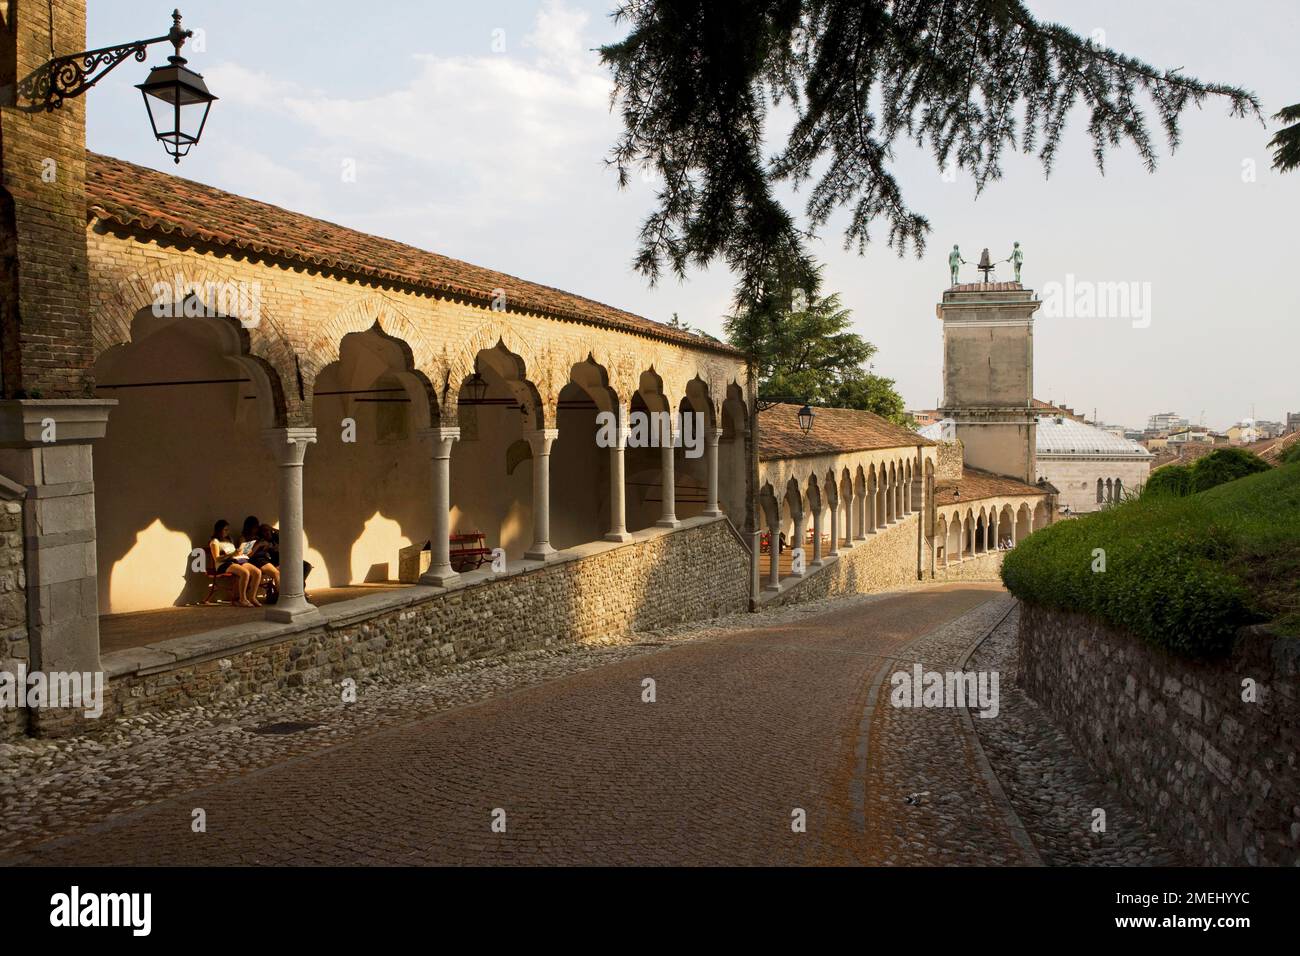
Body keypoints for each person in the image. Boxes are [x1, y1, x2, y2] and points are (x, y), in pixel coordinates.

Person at [208, 519, 262, 607]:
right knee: (245, 573)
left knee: (257, 572)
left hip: (236, 560)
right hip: (223, 564)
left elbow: (234, 553)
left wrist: (243, 552)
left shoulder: (229, 539)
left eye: (228, 530)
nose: (227, 532)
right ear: (219, 530)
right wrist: (232, 554)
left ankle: (252, 597)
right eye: (225, 530)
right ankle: (242, 599)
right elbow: (217, 559)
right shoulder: (215, 542)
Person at [248, 523, 281, 600]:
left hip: (266, 560)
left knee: (282, 570)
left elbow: (281, 534)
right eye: (265, 531)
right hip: (257, 560)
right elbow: (248, 555)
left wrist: (272, 529)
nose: (268, 532)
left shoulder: (266, 539)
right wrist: (259, 545)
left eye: (269, 531)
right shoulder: (251, 539)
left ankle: (279, 593)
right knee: (276, 573)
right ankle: (280, 596)